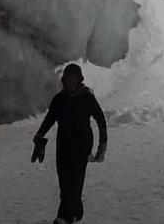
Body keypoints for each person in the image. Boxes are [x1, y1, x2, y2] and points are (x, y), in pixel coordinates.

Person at [32, 63, 108, 224]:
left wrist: (102, 144)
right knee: (65, 181)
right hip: (64, 145)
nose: (71, 81)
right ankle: (77, 212)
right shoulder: (59, 99)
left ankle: (63, 217)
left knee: (74, 181)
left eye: (74, 78)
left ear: (79, 79)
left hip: (82, 145)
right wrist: (39, 135)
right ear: (64, 80)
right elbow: (49, 119)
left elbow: (101, 120)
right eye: (68, 78)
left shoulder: (87, 97)